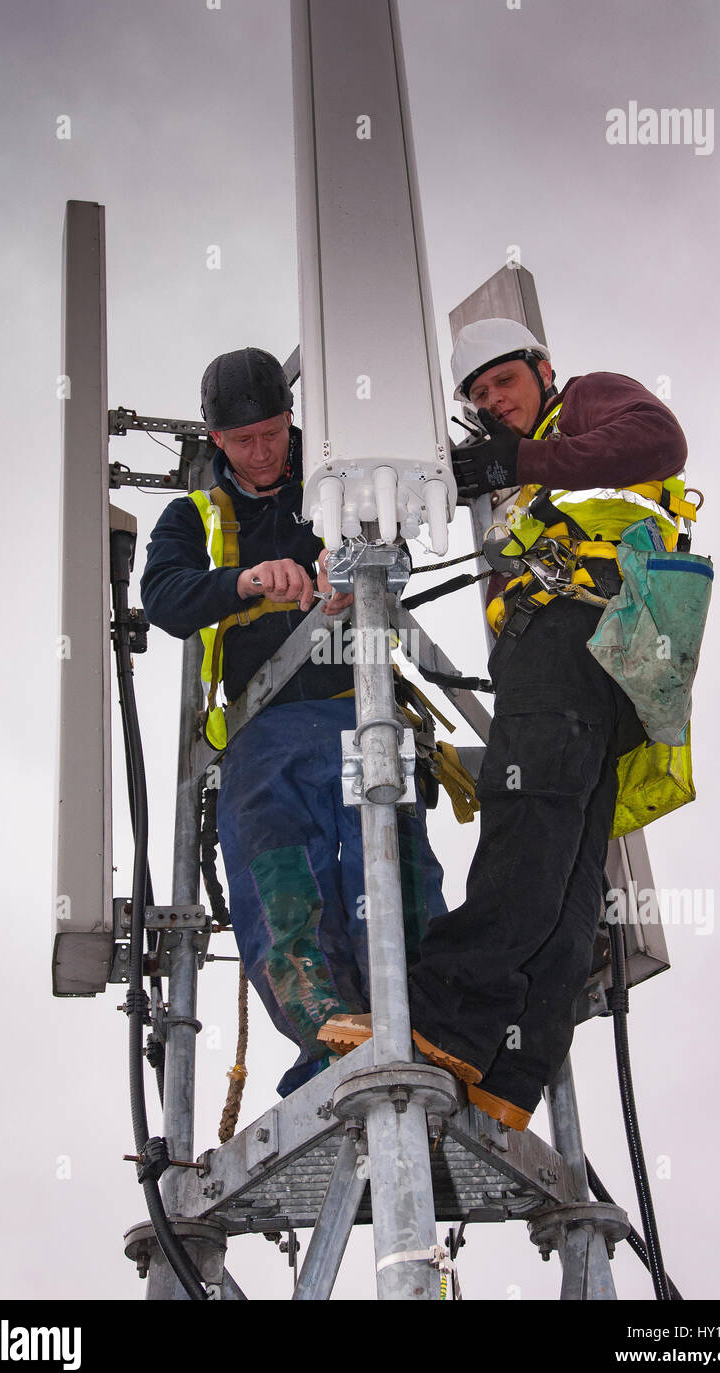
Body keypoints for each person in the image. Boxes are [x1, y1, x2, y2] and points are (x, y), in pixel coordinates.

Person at [320, 318, 696, 1131]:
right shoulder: (520, 472)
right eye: (480, 395)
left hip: (573, 641)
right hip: (611, 662)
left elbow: (659, 439)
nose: (495, 401)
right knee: (566, 870)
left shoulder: (589, 403)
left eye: (505, 383)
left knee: (527, 826)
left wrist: (515, 460)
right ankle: (511, 1072)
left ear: (544, 370)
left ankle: (440, 1022)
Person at [140, 347, 446, 1097]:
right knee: (283, 885)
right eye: (243, 440)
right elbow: (166, 598)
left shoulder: (342, 483)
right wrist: (244, 580)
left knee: (396, 878)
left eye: (272, 432)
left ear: (291, 420)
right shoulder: (195, 515)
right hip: (264, 733)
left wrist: (360, 573)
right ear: (215, 439)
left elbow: (399, 547)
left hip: (363, 712)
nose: (262, 449)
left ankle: (423, 1025)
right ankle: (328, 1035)